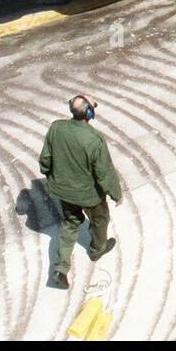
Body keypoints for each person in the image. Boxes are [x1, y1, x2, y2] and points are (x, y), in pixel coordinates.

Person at [38, 95, 124, 289]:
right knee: (100, 220)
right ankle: (97, 249)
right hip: (89, 194)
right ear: (89, 113)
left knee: (70, 224)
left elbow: (45, 159)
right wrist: (116, 193)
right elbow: (104, 172)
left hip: (63, 191)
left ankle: (60, 270)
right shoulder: (94, 139)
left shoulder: (56, 128)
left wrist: (49, 174)